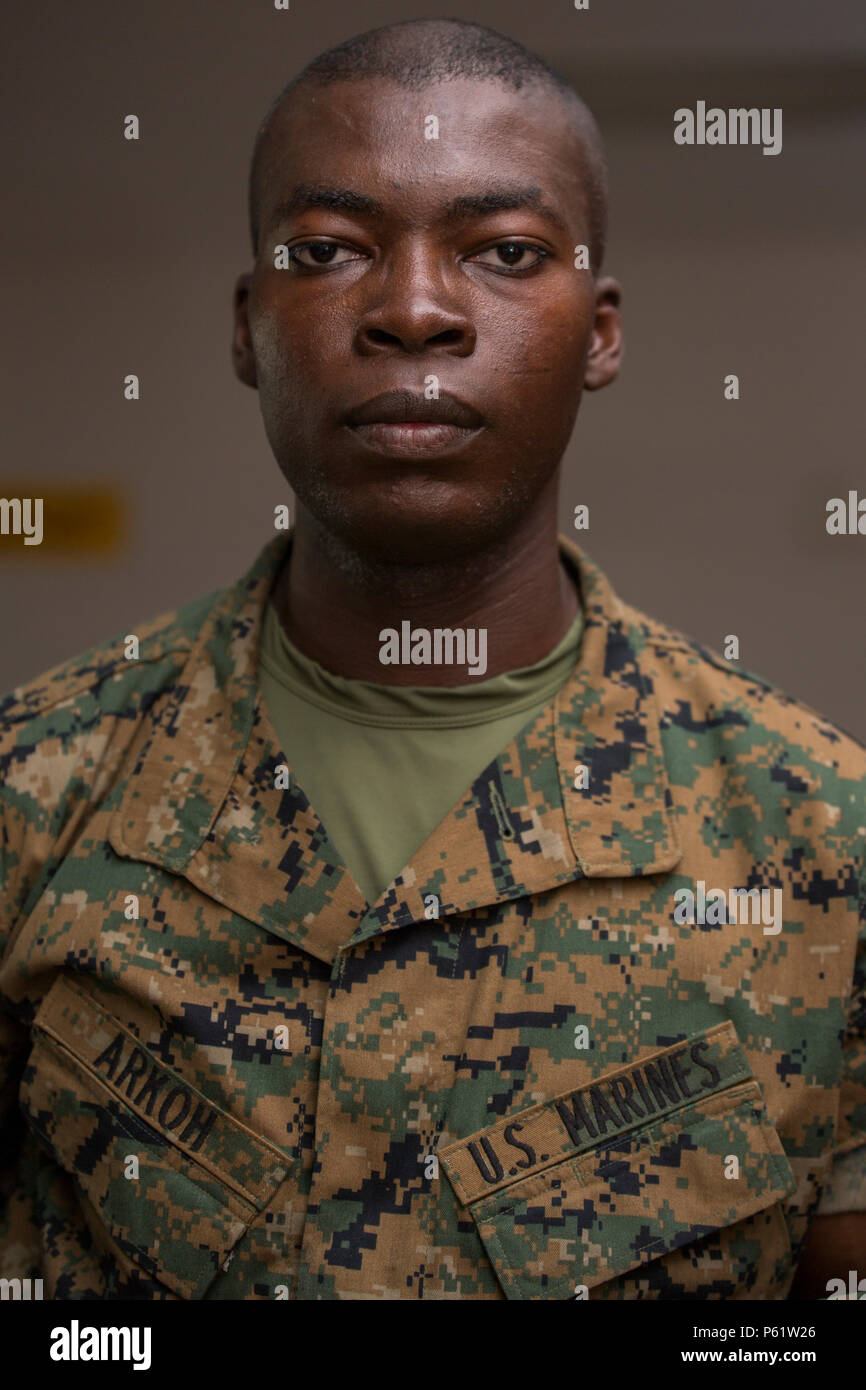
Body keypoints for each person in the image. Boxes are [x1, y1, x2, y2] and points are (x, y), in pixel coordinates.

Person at [0, 18, 863, 1302]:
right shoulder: (33, 796)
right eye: (331, 251)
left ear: (602, 331)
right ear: (248, 326)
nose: (412, 309)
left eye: (505, 253)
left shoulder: (821, 839)